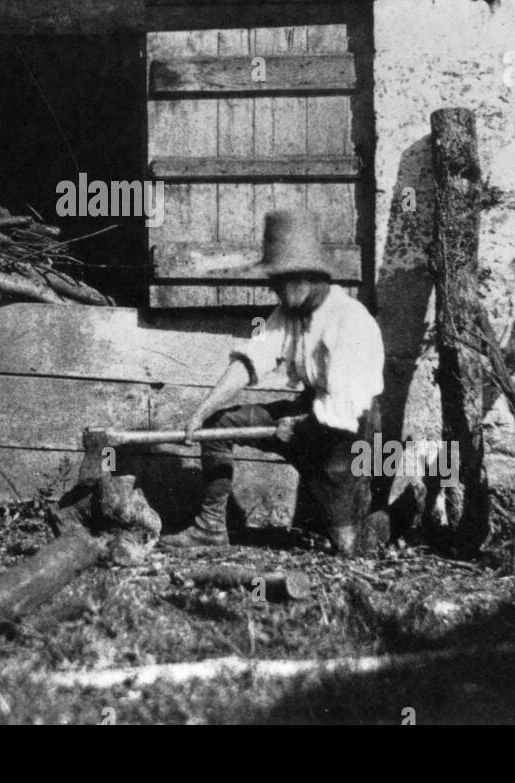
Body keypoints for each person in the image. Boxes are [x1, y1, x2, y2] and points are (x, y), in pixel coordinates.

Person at [160, 209, 385, 555]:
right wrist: (203, 410)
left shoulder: (350, 322)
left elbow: (342, 414)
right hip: (305, 415)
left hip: (348, 434)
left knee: (346, 548)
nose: (274, 287)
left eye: (281, 279)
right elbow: (251, 361)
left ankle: (389, 519)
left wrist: (298, 426)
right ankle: (209, 530)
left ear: (309, 276)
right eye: (274, 279)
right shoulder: (288, 313)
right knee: (221, 425)